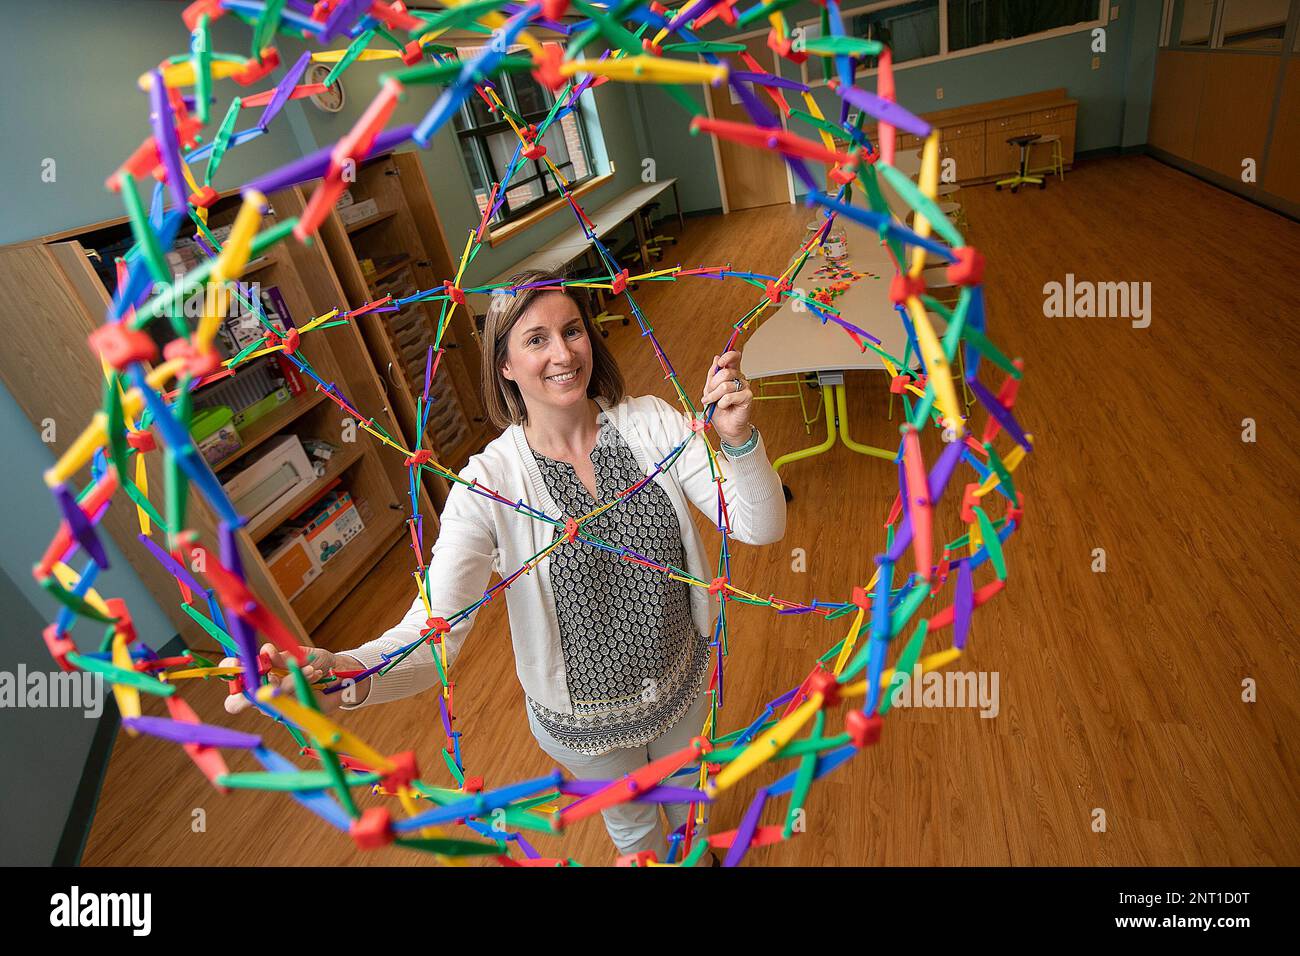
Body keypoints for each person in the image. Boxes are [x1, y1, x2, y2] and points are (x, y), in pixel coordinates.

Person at [226, 268, 787, 863]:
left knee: (687, 818)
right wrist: (347, 671)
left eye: (572, 331)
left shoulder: (651, 423)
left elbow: (760, 527)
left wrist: (740, 440)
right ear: (506, 367)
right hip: (587, 732)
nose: (564, 352)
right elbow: (434, 633)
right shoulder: (487, 486)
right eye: (536, 339)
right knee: (635, 837)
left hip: (681, 682)